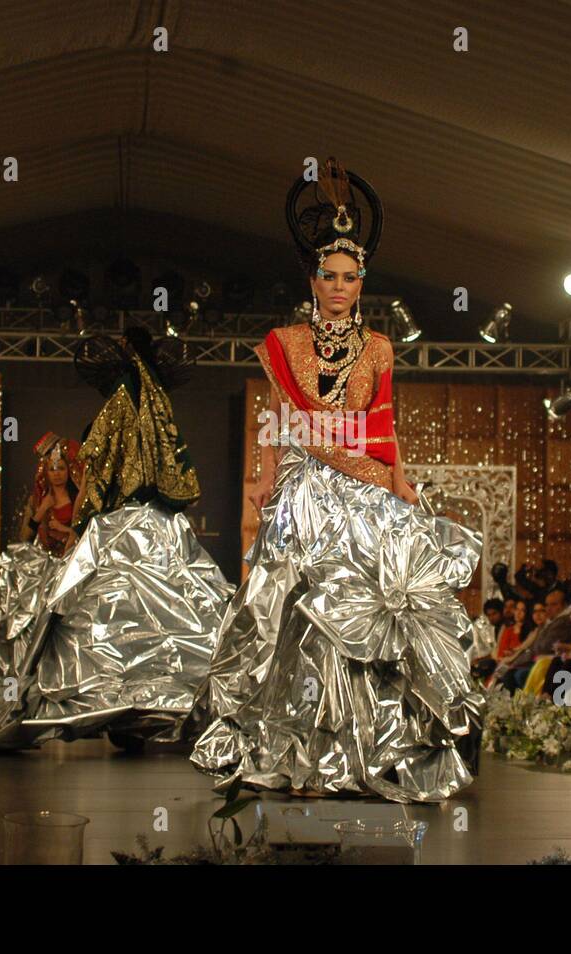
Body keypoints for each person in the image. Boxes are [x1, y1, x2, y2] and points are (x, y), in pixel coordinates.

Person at [190, 158, 484, 802]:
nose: (341, 286)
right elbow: (274, 415)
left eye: (351, 277)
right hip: (303, 487)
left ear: (362, 281)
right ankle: (295, 749)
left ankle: (365, 751)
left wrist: (401, 485)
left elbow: (385, 419)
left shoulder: (379, 346)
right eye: (330, 275)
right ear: (313, 278)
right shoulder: (284, 341)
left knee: (368, 619)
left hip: (367, 486)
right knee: (297, 613)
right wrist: (264, 478)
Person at [0, 328, 233, 751]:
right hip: (162, 524)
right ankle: (158, 706)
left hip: (122, 526)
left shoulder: (117, 409)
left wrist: (88, 517)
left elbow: (100, 473)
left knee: (102, 608)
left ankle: (119, 705)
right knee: (172, 608)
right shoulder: (156, 407)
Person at [18, 432, 82, 555]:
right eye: (52, 469)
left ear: (69, 471)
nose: (56, 473)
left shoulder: (78, 500)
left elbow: (87, 534)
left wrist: (63, 529)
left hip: (74, 559)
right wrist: (42, 510)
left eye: (61, 468)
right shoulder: (36, 501)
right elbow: (24, 538)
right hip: (46, 563)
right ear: (46, 473)